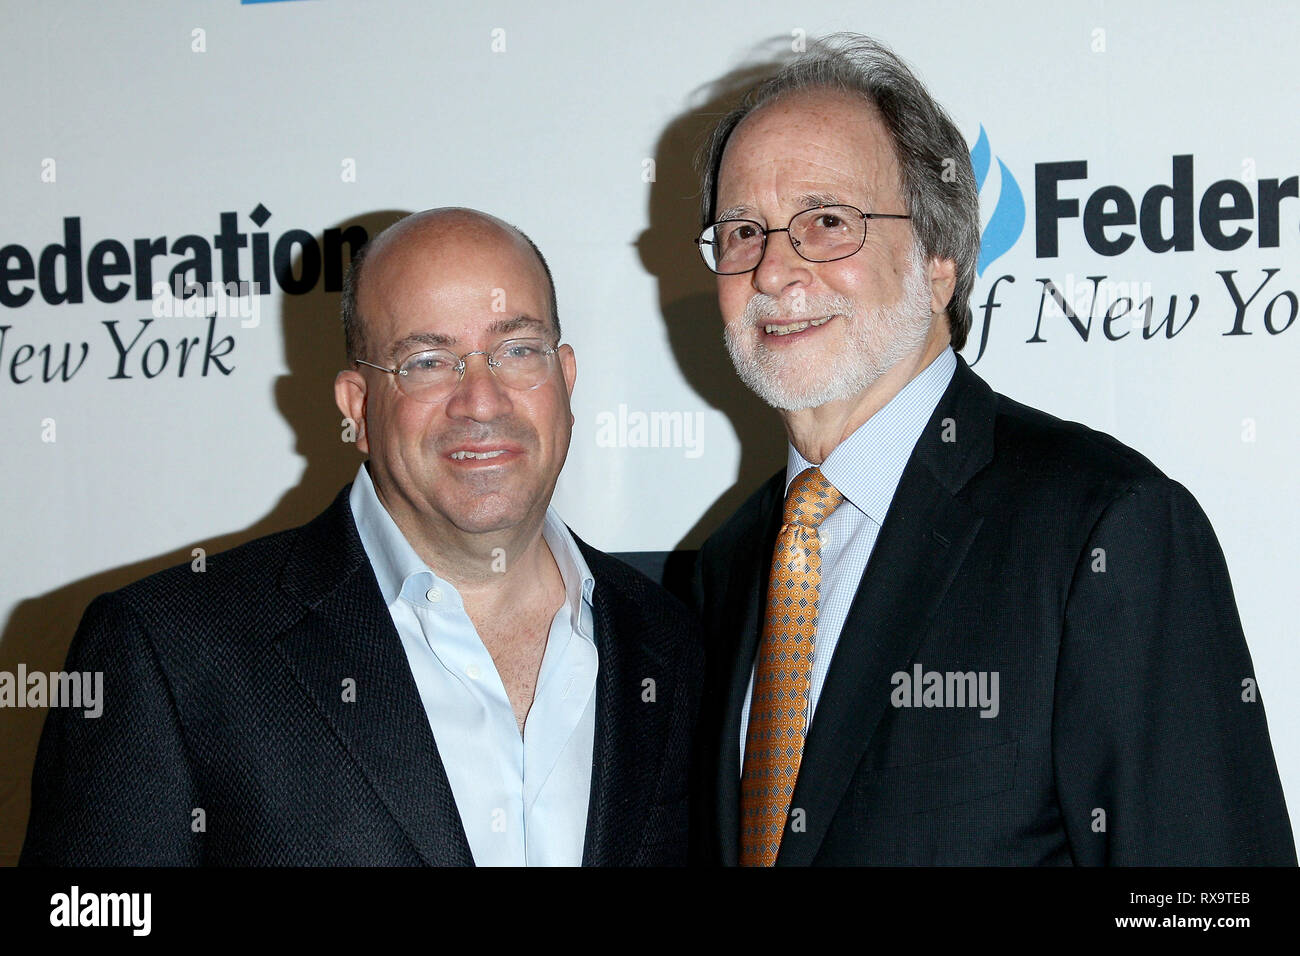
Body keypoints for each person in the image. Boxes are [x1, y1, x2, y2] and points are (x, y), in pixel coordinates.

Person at [689, 34, 1295, 866]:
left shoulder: (1104, 530)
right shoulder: (715, 575)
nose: (773, 271)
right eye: (743, 231)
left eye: (827, 222)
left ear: (939, 262)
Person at [22, 207, 701, 867]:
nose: (482, 400)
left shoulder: (675, 641)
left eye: (517, 349)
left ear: (566, 377)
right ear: (357, 408)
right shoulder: (169, 652)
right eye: (427, 361)